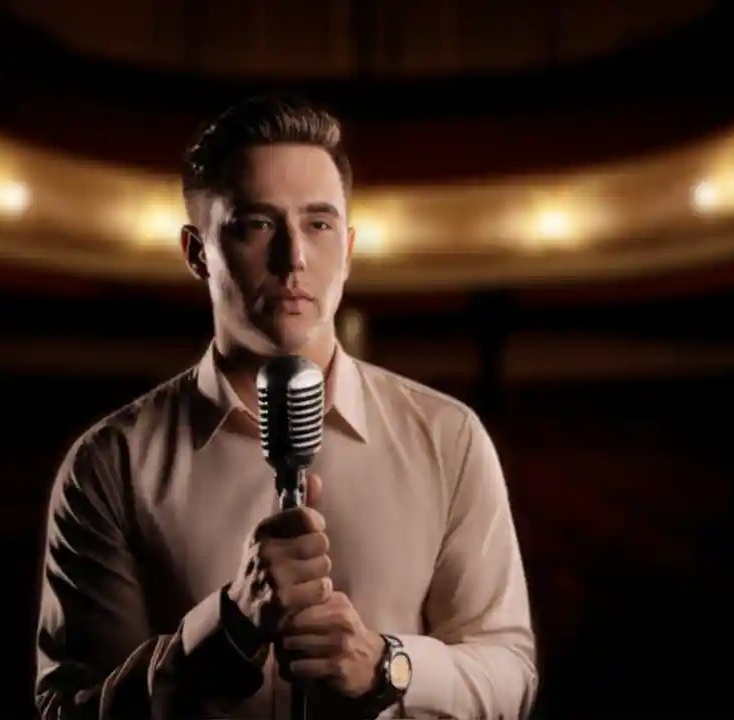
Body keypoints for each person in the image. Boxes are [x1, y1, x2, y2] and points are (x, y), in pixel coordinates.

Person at [34, 94, 538, 719]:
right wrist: (227, 628)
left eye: (319, 224)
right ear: (197, 253)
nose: (294, 258)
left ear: (348, 248)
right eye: (257, 224)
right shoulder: (109, 464)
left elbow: (510, 679)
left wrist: (387, 665)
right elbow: (70, 711)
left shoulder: (449, 438)